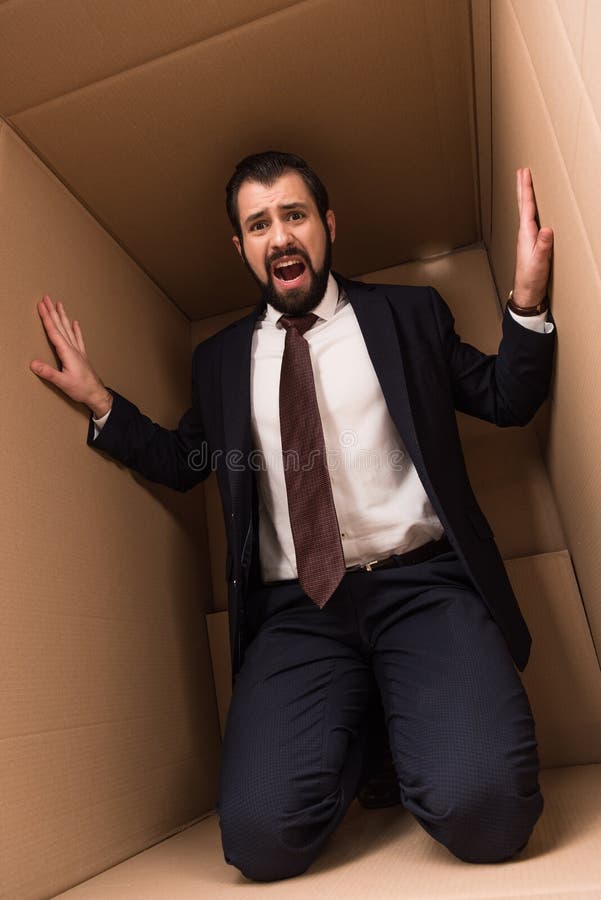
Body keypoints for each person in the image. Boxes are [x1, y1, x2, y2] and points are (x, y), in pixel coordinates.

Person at [30, 152, 555, 882]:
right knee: (258, 843)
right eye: (257, 224)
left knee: (489, 815)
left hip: (423, 591)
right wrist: (100, 402)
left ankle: (406, 723)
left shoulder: (405, 315)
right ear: (240, 247)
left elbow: (507, 399)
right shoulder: (220, 360)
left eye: (293, 214)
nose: (278, 236)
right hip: (299, 614)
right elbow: (185, 463)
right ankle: (364, 734)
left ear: (326, 224)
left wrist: (526, 302)